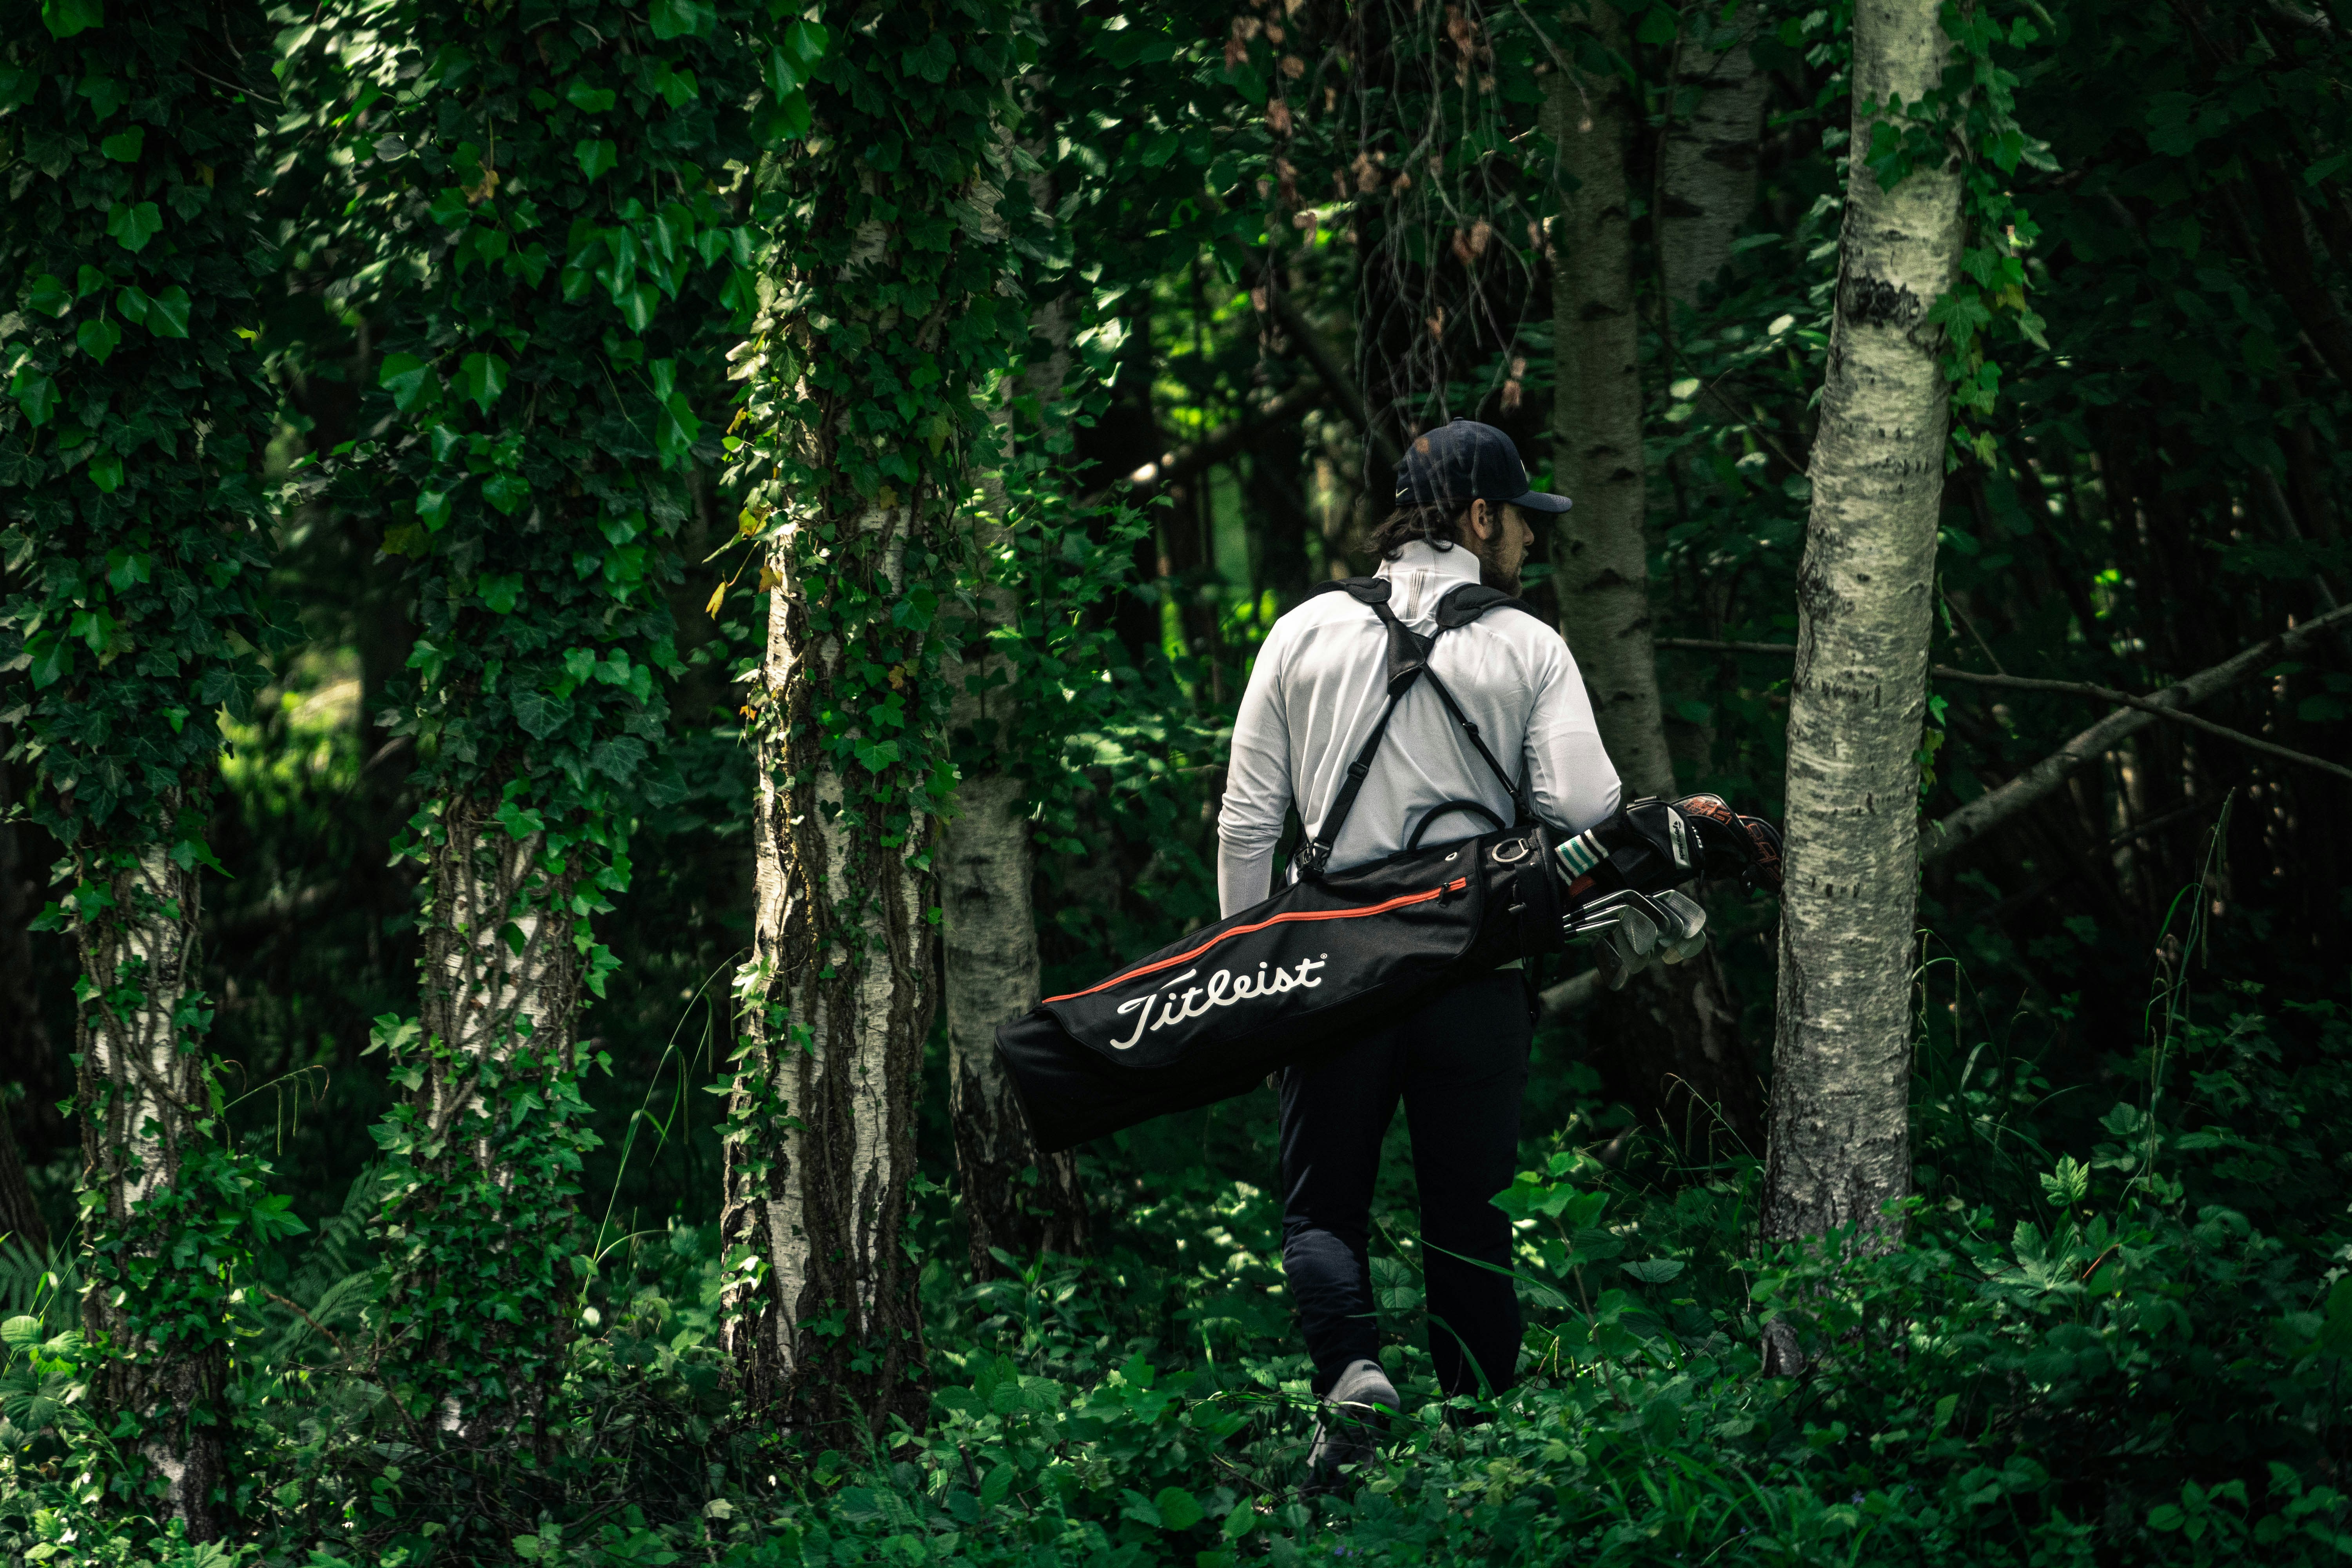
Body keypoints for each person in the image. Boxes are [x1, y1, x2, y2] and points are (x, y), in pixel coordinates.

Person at [1216, 418, 1622, 1485]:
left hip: (1334, 967)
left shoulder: (1301, 632)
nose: (1530, 546)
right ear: (1477, 517)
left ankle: (1354, 1377)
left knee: (1321, 1206)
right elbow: (1587, 806)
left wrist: (1255, 982)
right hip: (1470, 972)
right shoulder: (1528, 643)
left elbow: (1246, 826)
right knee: (1469, 1212)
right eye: (1522, 523)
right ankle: (1485, 1455)